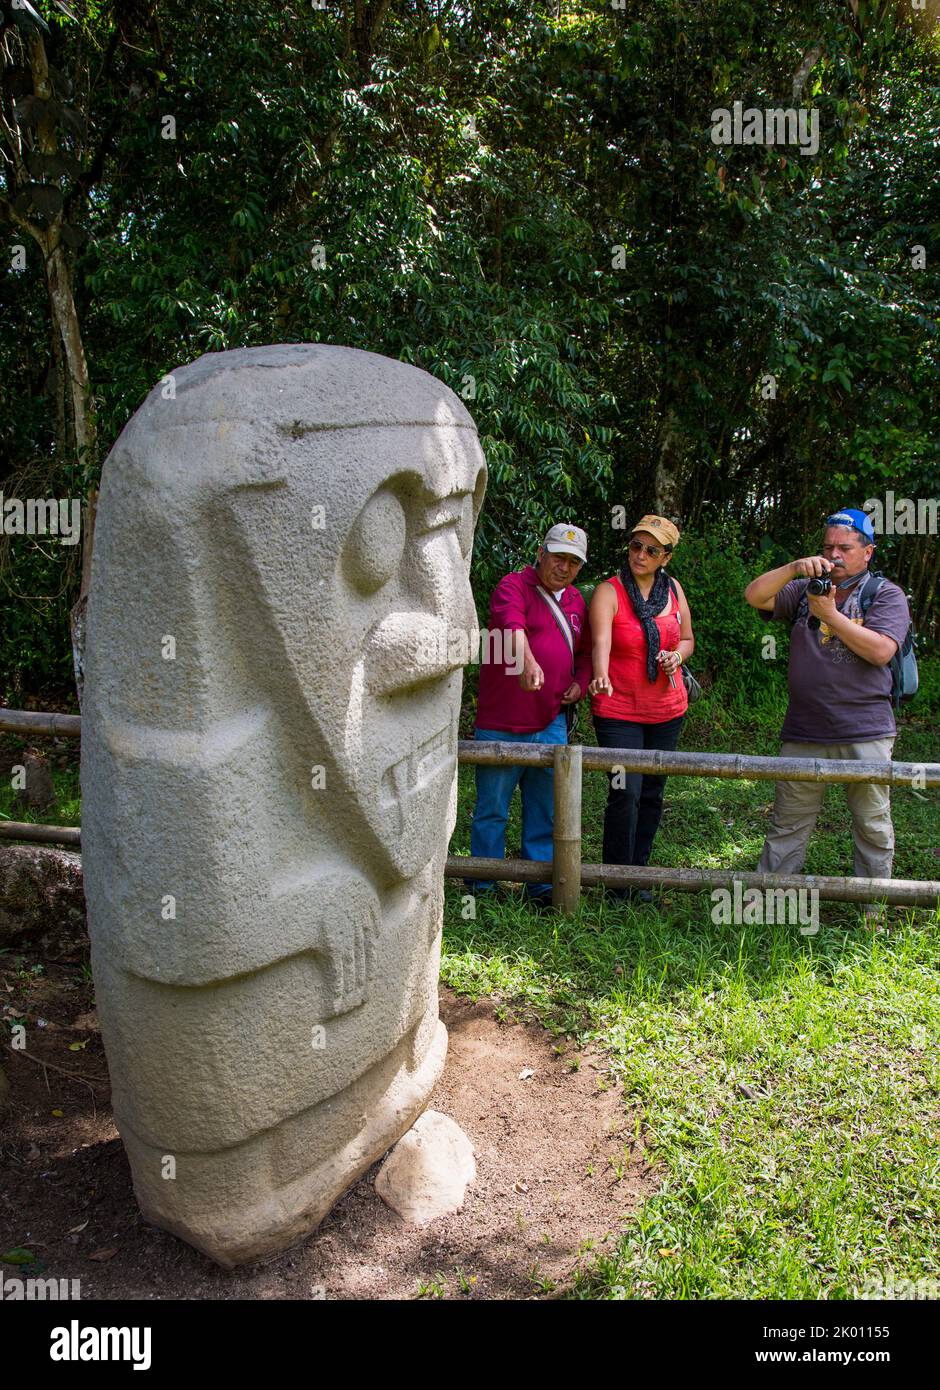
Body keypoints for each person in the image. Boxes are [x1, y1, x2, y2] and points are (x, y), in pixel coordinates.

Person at [743, 507, 912, 914]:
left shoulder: (885, 594)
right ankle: (770, 906)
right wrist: (793, 568)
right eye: (828, 547)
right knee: (788, 823)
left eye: (845, 548)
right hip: (804, 729)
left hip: (865, 731)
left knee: (871, 824)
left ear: (867, 552)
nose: (834, 555)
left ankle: (873, 908)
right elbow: (755, 596)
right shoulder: (805, 589)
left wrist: (831, 616)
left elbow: (881, 650)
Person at [468, 523, 593, 905]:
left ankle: (540, 887)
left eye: (574, 562)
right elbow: (511, 627)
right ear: (542, 552)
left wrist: (582, 682)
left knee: (545, 811)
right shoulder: (513, 586)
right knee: (492, 810)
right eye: (559, 557)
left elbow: (585, 653)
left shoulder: (576, 602)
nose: (564, 567)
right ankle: (482, 886)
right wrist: (527, 662)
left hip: (550, 721)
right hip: (501, 724)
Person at [587, 515, 693, 903]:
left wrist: (676, 658)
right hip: (618, 708)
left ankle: (639, 875)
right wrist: (600, 674)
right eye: (636, 546)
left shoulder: (674, 590)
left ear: (665, 556)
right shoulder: (609, 591)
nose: (640, 555)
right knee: (624, 790)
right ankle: (616, 882)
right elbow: (600, 643)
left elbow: (687, 639)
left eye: (651, 550)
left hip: (667, 708)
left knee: (651, 792)